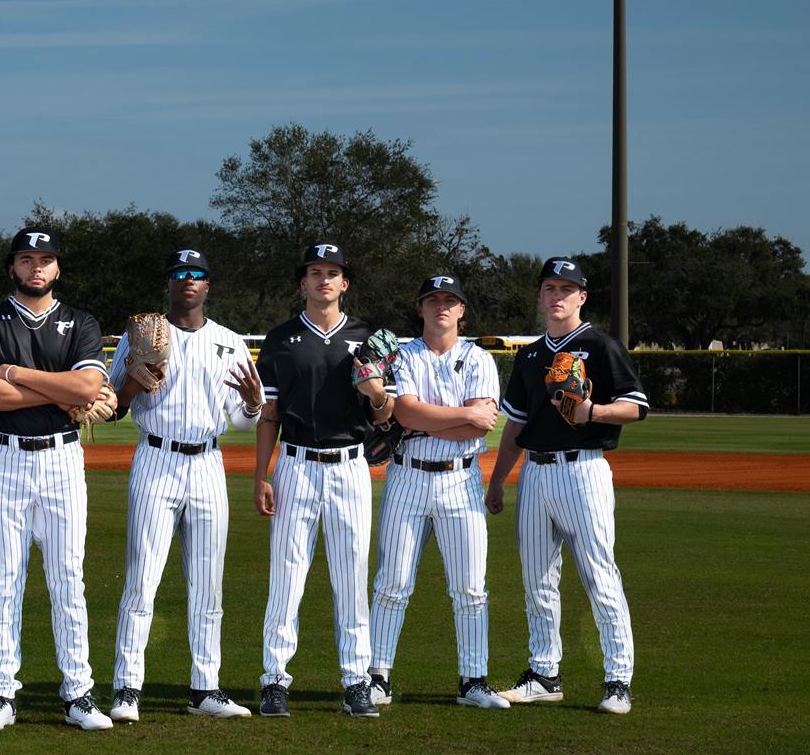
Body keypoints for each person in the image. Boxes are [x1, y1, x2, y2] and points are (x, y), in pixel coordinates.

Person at [486, 257, 650, 714]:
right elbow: (515, 426)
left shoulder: (601, 345)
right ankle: (544, 673)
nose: (556, 297)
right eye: (549, 289)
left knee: (600, 575)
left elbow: (637, 407)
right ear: (540, 297)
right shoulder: (531, 355)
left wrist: (592, 412)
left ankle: (618, 680)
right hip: (535, 474)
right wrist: (498, 480)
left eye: (566, 289)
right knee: (537, 579)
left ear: (581, 297)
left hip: (584, 470)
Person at [107, 248, 263, 722]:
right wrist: (134, 380)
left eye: (196, 274)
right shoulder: (142, 336)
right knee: (142, 580)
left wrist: (255, 405)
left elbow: (239, 420)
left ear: (208, 285)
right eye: (179, 273)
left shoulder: (230, 342)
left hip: (208, 463)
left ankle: (205, 688)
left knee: (207, 585)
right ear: (169, 283)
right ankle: (127, 688)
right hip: (156, 457)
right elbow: (113, 406)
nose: (188, 280)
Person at [0, 226, 112, 732]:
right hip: (5, 455)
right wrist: (62, 393)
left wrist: (19, 374)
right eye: (26, 259)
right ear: (12, 267)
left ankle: (79, 693)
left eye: (45, 260)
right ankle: (1, 694)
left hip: (62, 460)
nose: (36, 268)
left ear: (57, 269)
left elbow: (90, 384)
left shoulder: (79, 321)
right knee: (5, 579)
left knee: (68, 577)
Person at [252, 243, 396, 720]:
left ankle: (356, 680)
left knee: (351, 577)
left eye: (332, 273)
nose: (323, 280)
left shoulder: (367, 337)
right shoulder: (281, 338)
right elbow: (268, 414)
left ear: (345, 282)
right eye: (315, 272)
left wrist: (377, 396)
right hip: (294, 463)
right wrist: (261, 475)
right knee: (286, 576)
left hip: (350, 465)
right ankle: (274, 679)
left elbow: (384, 413)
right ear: (303, 281)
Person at [367, 275, 509, 710]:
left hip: (461, 480)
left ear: (462, 310)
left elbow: (483, 423)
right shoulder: (404, 354)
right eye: (433, 300)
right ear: (420, 308)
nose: (441, 307)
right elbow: (405, 412)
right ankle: (376, 677)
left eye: (450, 300)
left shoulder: (480, 357)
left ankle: (474, 681)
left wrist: (428, 419)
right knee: (392, 583)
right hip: (407, 477)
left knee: (470, 587)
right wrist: (460, 414)